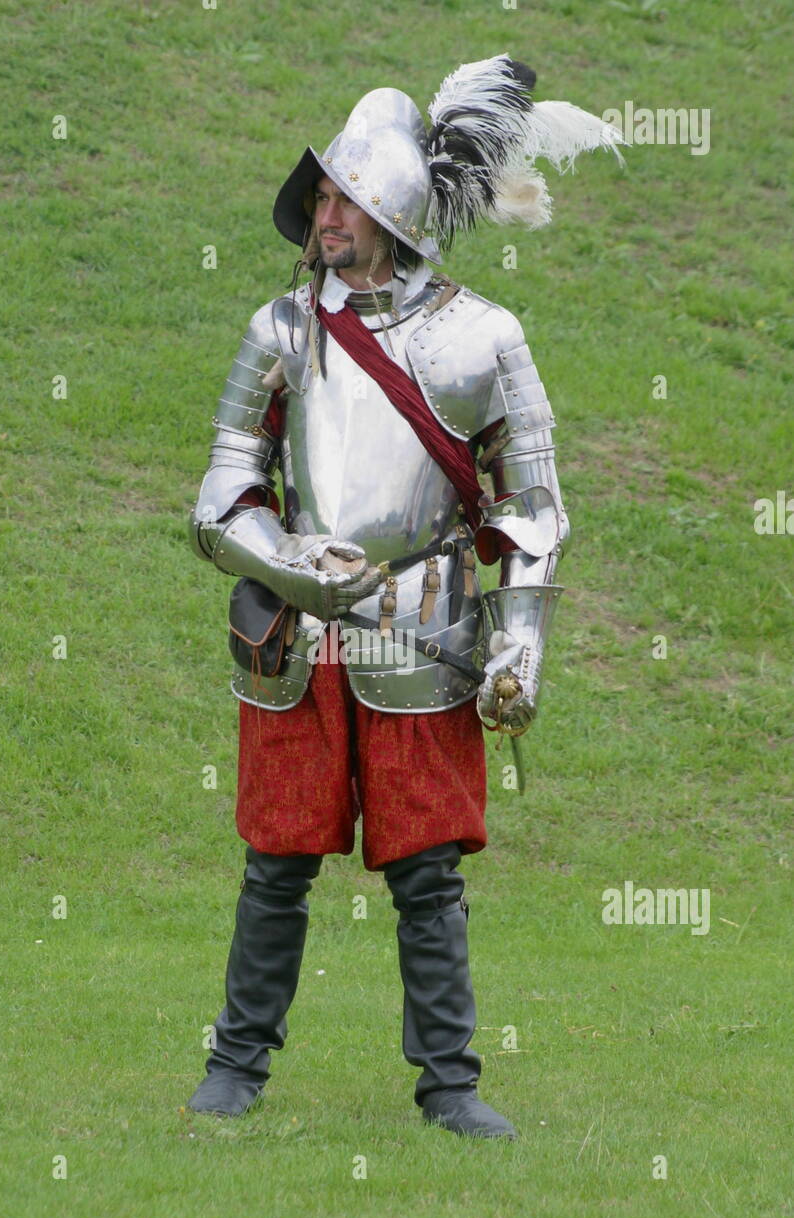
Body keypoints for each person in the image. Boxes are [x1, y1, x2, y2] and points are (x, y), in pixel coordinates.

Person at [186, 55, 622, 1138]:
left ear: (392, 214)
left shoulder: (485, 338)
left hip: (424, 630)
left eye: (345, 197)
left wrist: (521, 646)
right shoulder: (280, 329)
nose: (325, 214)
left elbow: (533, 509)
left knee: (425, 873)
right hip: (291, 638)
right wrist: (290, 566)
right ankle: (235, 1067)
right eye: (321, 196)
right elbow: (216, 503)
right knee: (276, 857)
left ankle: (450, 1086)